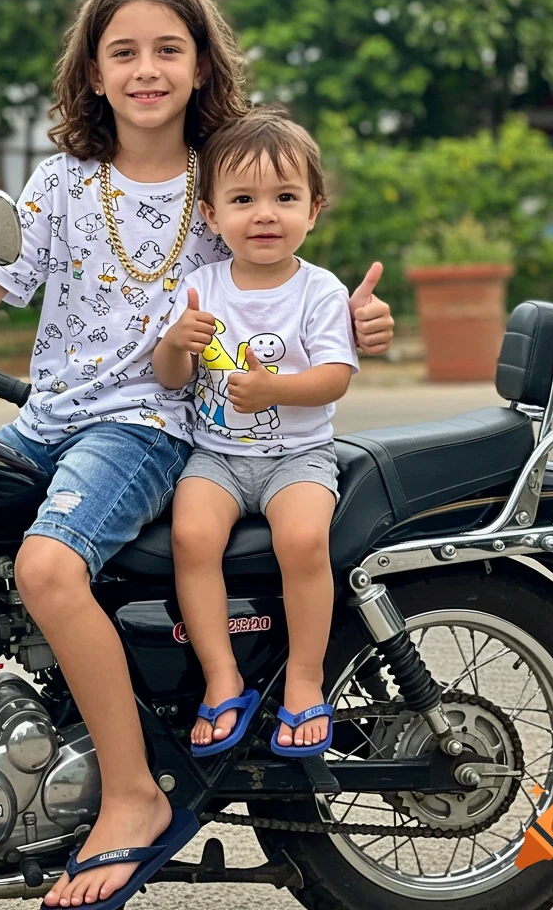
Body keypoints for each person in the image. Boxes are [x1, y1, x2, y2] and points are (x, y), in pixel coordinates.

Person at [0, 0, 393, 910]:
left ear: (202, 65)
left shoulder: (224, 176)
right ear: (91, 72)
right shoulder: (62, 179)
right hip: (46, 418)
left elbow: (290, 271)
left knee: (47, 568)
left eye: (169, 48)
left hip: (150, 423)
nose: (146, 68)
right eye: (123, 52)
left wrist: (362, 326)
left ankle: (131, 795)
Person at [154, 109, 355, 759]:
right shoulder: (201, 285)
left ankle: (303, 678)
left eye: (285, 198)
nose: (265, 214)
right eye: (243, 200)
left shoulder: (318, 292)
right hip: (217, 456)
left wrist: (274, 390)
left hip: (299, 456)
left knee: (302, 540)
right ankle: (222, 675)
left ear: (314, 210)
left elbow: (333, 379)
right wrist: (176, 344)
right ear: (212, 216)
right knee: (190, 537)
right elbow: (170, 375)